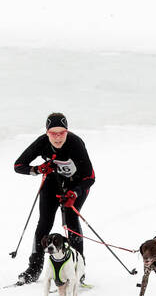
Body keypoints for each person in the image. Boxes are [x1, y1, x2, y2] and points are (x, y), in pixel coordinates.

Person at [13, 112, 95, 284]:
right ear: (47, 133)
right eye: (53, 133)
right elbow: (18, 165)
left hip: (76, 186)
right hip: (52, 184)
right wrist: (38, 169)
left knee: (71, 221)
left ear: (67, 132)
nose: (57, 137)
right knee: (44, 223)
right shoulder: (42, 142)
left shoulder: (75, 143)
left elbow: (90, 177)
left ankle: (78, 268)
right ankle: (34, 268)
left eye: (62, 133)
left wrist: (74, 193)